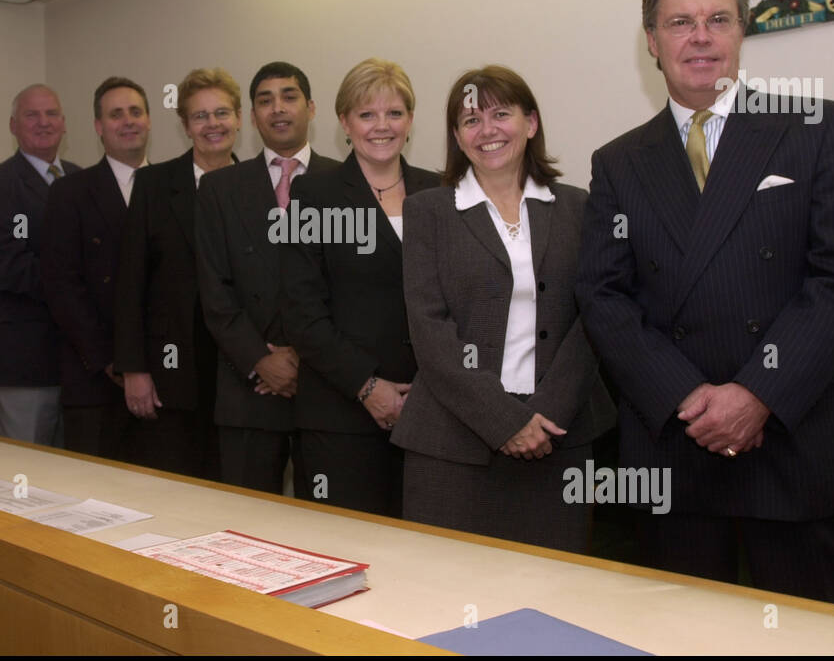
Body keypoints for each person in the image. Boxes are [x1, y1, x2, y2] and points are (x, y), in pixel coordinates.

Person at [575, 0, 834, 607]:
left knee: (822, 656)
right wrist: (689, 397)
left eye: (718, 19)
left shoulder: (819, 128)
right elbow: (604, 294)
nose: (701, 36)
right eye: (680, 23)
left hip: (799, 431)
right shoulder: (619, 162)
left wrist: (756, 394)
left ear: (743, 32)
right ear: (653, 44)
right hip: (676, 444)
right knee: (683, 637)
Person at [394, 65, 614, 550]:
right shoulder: (428, 211)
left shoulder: (579, 207)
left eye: (501, 114)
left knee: (554, 595)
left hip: (558, 435)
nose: (487, 130)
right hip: (451, 445)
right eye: (471, 120)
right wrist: (505, 421)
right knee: (442, 595)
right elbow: (430, 330)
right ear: (456, 135)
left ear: (530, 123)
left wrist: (545, 415)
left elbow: (596, 315)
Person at [282, 58, 438, 515]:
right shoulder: (315, 194)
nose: (381, 126)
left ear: (410, 120)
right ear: (344, 122)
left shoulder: (440, 191)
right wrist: (369, 387)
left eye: (394, 113)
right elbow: (301, 313)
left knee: (427, 561)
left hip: (429, 413)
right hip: (341, 417)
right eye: (366, 114)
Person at [195, 61, 340, 494]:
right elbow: (214, 290)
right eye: (265, 100)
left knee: (331, 526)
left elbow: (351, 289)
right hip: (249, 390)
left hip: (328, 389)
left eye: (290, 97)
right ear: (252, 116)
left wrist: (305, 355)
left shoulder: (346, 182)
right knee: (246, 528)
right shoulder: (219, 189)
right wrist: (261, 359)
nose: (278, 109)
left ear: (311, 108)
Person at [114, 68, 241, 479]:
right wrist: (133, 369)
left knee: (240, 492)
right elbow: (130, 281)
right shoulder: (152, 184)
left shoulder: (261, 186)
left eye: (222, 113)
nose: (213, 124)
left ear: (239, 118)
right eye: (200, 116)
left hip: (242, 372)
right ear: (185, 126)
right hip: (172, 372)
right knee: (174, 490)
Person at [43, 76, 151, 459]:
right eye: (116, 114)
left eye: (135, 112)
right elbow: (62, 286)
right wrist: (116, 363)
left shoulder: (172, 187)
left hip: (166, 380)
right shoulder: (69, 193)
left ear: (149, 120)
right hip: (94, 381)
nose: (128, 121)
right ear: (98, 127)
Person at [0, 84, 81, 445]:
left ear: (64, 123)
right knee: (21, 479)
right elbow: (9, 268)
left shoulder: (83, 180)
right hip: (25, 365)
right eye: (31, 115)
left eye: (51, 114)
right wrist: (82, 284)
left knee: (79, 481)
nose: (43, 122)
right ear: (13, 125)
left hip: (83, 365)